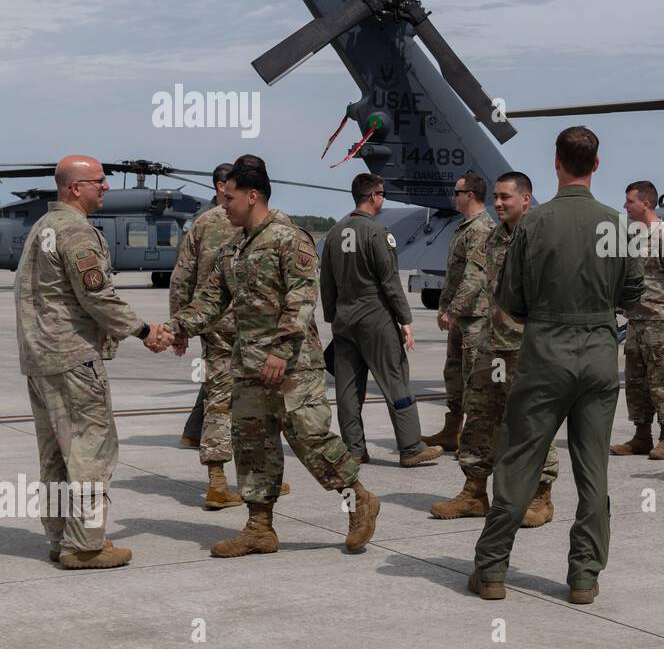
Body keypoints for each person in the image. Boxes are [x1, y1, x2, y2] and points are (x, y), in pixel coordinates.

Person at [168, 155, 381, 557]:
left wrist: (282, 351)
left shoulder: (289, 239)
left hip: (293, 365)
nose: (223, 204)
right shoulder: (233, 249)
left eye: (229, 198)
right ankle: (259, 528)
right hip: (247, 365)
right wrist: (175, 328)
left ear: (252, 196)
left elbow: (302, 299)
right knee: (252, 445)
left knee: (310, 439)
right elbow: (210, 301)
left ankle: (360, 501)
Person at [468, 127, 644, 604]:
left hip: (546, 350)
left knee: (519, 460)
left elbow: (511, 298)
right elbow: (633, 294)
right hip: (600, 355)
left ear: (557, 162)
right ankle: (584, 577)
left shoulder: (533, 223)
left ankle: (491, 571)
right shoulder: (616, 224)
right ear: (597, 164)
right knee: (594, 469)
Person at [16, 155, 171, 569]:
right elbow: (97, 296)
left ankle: (60, 537)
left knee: (54, 456)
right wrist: (144, 330)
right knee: (90, 450)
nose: (105, 187)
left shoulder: (42, 228)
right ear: (73, 188)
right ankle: (85, 544)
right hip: (72, 359)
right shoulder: (76, 232)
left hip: (39, 359)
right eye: (98, 181)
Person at [432, 172, 559, 527]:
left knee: (530, 420)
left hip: (527, 347)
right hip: (491, 343)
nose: (500, 203)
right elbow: (477, 281)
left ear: (526, 200)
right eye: (497, 197)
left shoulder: (539, 239)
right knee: (480, 416)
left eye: (507, 197)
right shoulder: (490, 238)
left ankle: (541, 496)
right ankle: (474, 492)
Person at [321, 173, 437, 467]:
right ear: (373, 196)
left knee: (347, 389)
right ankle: (411, 447)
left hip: (345, 320)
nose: (383, 199)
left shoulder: (335, 233)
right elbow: (389, 281)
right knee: (395, 378)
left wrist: (333, 316)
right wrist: (405, 320)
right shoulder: (377, 233)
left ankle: (354, 449)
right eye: (381, 193)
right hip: (376, 317)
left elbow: (326, 283)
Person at [170, 161, 258, 509]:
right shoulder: (266, 221)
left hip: (213, 324)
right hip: (252, 326)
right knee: (258, 404)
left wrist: (180, 327)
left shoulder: (202, 223)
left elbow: (181, 278)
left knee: (219, 401)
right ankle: (250, 480)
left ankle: (220, 482)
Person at [610, 180, 664, 460]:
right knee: (635, 382)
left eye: (629, 201)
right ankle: (641, 436)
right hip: (636, 322)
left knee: (661, 381)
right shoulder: (632, 236)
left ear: (645, 203)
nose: (625, 206)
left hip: (660, 321)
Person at [424, 173, 493, 454]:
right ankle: (453, 430)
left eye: (457, 192)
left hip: (475, 318)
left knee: (475, 379)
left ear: (470, 195)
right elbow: (455, 275)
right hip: (461, 318)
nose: (454, 196)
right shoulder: (465, 227)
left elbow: (474, 277)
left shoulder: (481, 229)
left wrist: (453, 311)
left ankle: (476, 440)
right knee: (454, 375)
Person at [179, 162, 234, 450]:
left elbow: (181, 279)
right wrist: (180, 326)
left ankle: (193, 431)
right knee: (222, 381)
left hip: (209, 316)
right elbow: (183, 276)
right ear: (220, 186)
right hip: (219, 317)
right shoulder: (207, 222)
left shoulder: (203, 221)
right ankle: (218, 454)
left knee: (216, 376)